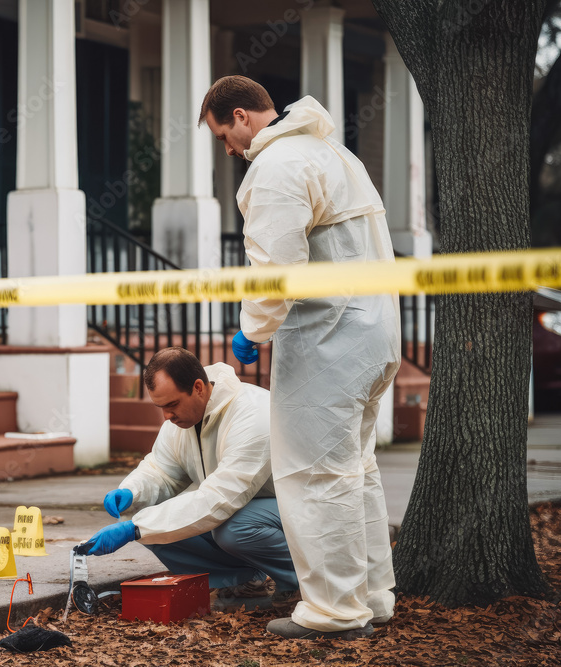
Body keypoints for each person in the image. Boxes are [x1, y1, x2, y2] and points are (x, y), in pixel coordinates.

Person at [199, 75, 401, 640]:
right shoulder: (333, 154)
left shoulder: (276, 168)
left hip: (329, 339)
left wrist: (250, 331)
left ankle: (334, 612)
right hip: (375, 333)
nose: (229, 151)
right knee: (355, 474)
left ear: (241, 115)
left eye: (223, 137)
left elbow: (275, 269)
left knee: (314, 477)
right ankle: (371, 596)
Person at [83, 347, 299, 609]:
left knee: (233, 528)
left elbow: (219, 498)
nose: (166, 416)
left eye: (172, 405)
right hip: (247, 508)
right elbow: (161, 470)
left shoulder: (253, 414)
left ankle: (302, 583)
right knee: (146, 513)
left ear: (198, 387)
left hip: (299, 508)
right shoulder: (182, 421)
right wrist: (132, 492)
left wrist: (136, 529)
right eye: (160, 407)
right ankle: (243, 582)